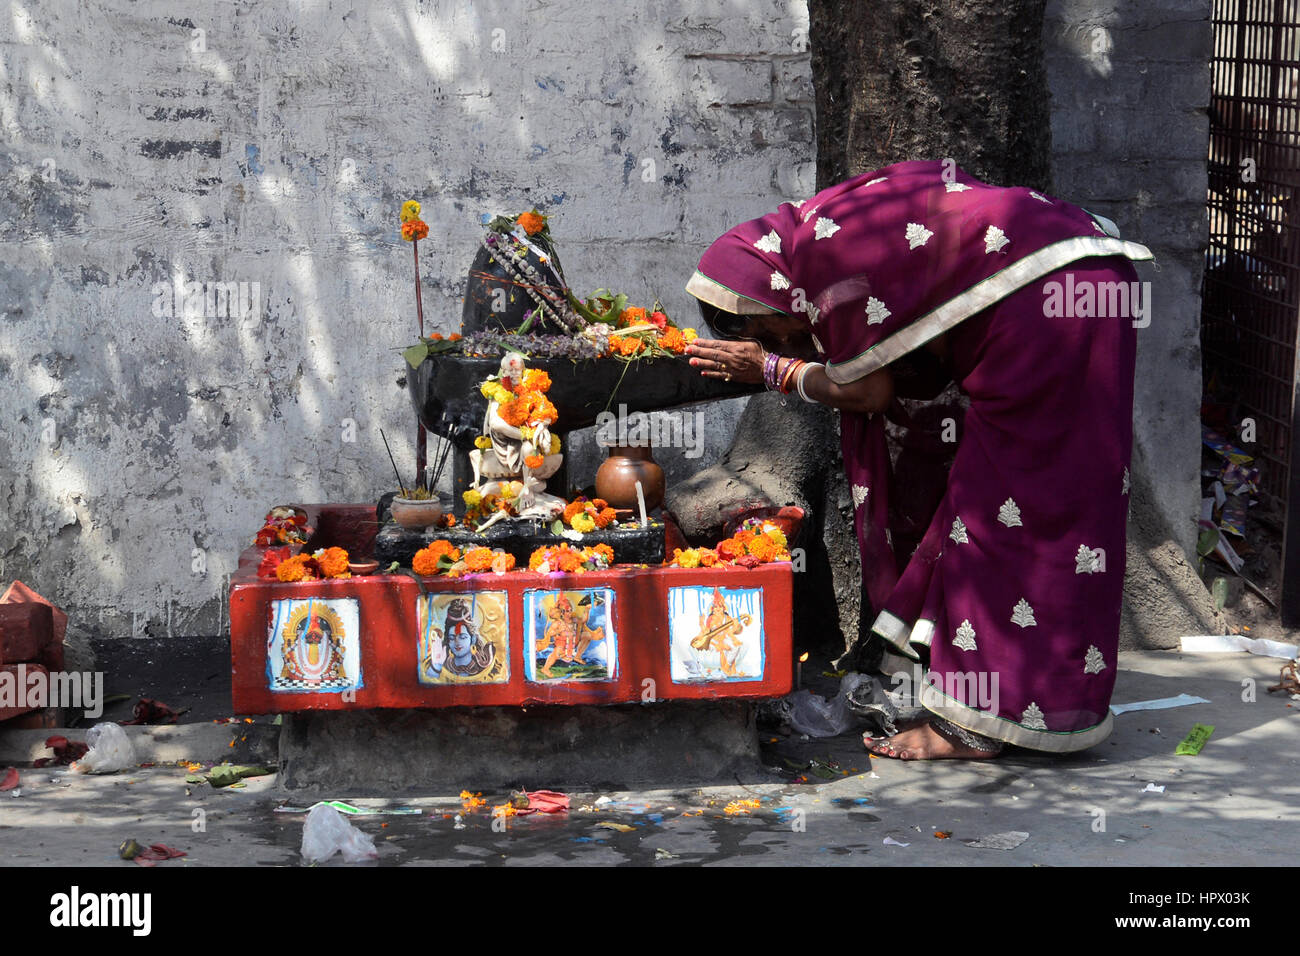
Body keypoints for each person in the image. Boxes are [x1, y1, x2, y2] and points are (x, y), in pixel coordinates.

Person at [684, 159, 1152, 759]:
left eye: (769, 330)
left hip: (1037, 301)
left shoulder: (824, 262)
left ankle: (971, 727)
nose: (788, 340)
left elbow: (869, 392)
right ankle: (1046, 696)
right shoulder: (827, 225)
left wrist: (773, 370)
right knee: (1063, 489)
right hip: (1094, 275)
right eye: (773, 343)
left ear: (767, 290)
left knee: (996, 507)